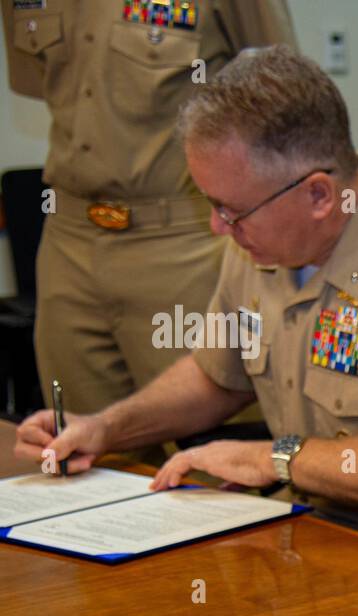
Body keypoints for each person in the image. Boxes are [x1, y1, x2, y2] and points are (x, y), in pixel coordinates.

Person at [13, 46, 358, 578]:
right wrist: (105, 428)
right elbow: (216, 377)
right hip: (308, 526)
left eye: (230, 210)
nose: (218, 227)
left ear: (318, 195)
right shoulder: (264, 245)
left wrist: (271, 457)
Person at [3, 0, 296, 416]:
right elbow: (41, 79)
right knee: (83, 450)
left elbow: (284, 86)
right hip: (69, 247)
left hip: (184, 244)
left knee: (205, 452)